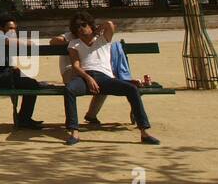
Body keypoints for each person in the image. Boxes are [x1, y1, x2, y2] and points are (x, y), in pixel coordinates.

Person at [63, 14, 160, 146]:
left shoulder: (103, 39)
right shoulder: (74, 43)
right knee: (69, 89)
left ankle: (144, 132)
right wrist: (88, 78)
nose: (80, 28)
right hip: (85, 77)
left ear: (90, 25)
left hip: (104, 77)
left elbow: (109, 24)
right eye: (77, 27)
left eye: (83, 25)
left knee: (131, 89)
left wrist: (97, 29)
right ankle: (74, 132)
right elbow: (75, 66)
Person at [0, 16, 44, 129]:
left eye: (14, 28)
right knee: (33, 85)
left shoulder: (3, 39)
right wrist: (29, 42)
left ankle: (24, 118)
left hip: (5, 75)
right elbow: (11, 42)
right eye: (10, 28)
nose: (13, 31)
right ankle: (24, 119)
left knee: (32, 83)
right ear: (1, 28)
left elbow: (11, 64)